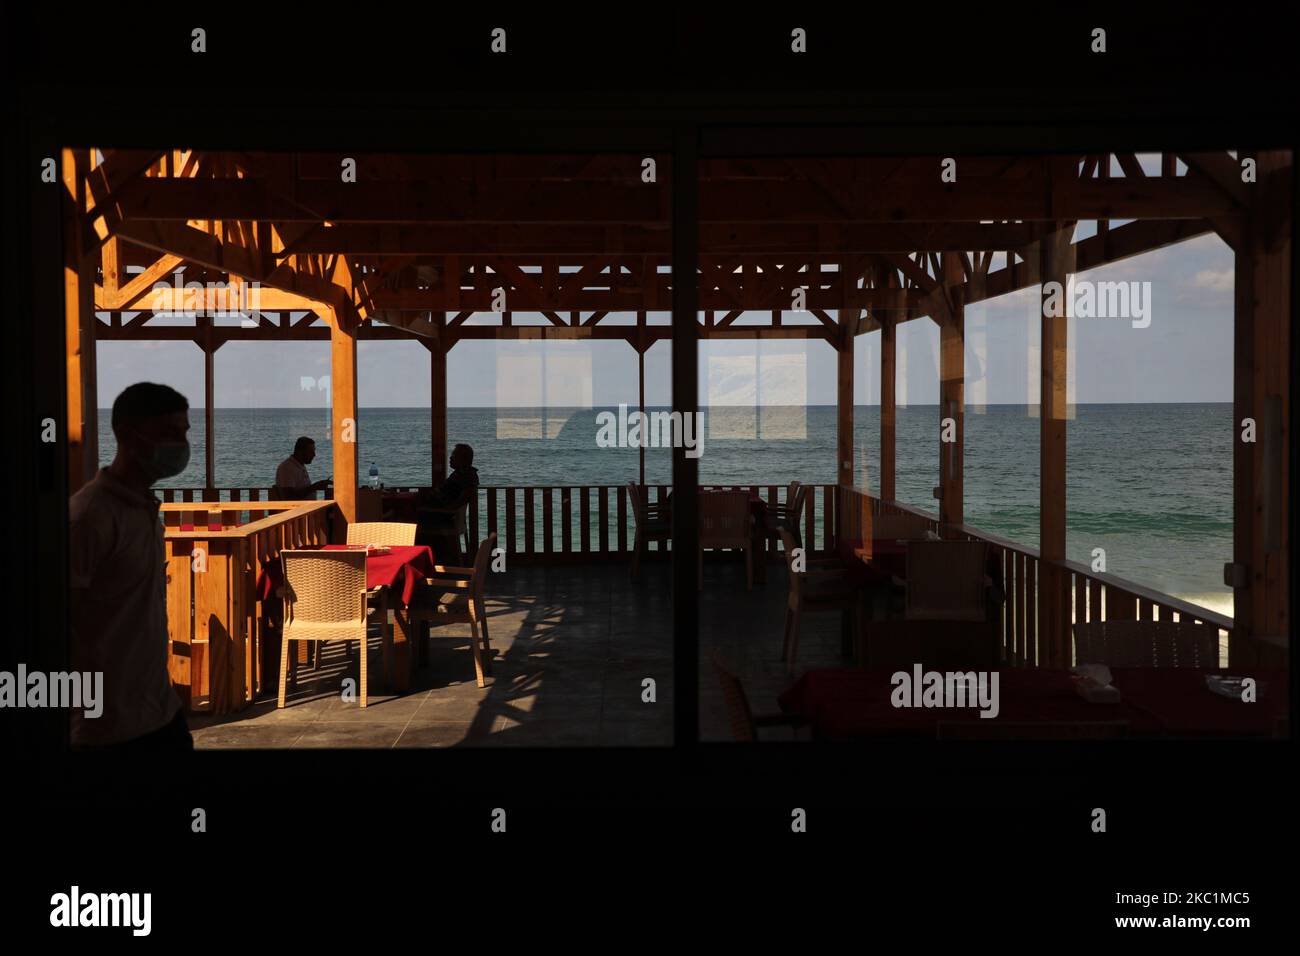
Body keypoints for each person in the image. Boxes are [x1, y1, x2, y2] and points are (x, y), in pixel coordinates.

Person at [68, 382, 194, 750]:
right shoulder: (90, 517)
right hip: (108, 728)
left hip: (160, 710)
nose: (179, 445)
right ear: (127, 435)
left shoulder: (144, 509)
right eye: (168, 433)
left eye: (183, 433)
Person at [416, 444, 480, 557]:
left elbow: (463, 498)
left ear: (462, 459)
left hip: (443, 515)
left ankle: (426, 556)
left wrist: (445, 508)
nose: (450, 458)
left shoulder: (465, 476)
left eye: (453, 455)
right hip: (442, 512)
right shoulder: (463, 474)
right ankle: (435, 555)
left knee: (408, 518)